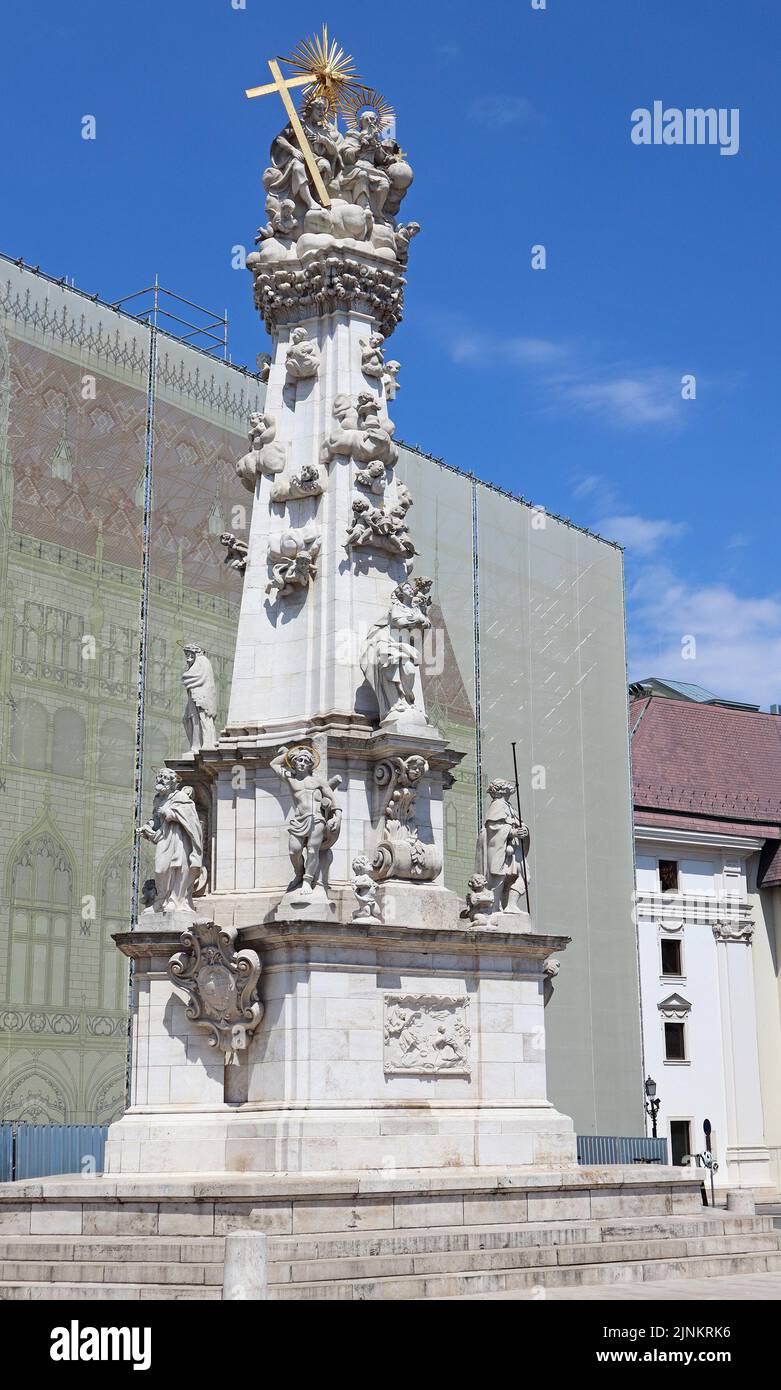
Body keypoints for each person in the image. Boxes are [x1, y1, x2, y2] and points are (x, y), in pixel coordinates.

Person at [270, 745, 342, 896]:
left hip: (317, 819)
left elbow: (333, 799)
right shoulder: (291, 779)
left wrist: (337, 817)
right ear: (295, 763)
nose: (302, 763)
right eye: (299, 760)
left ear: (310, 764)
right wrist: (289, 755)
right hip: (299, 820)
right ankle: (299, 873)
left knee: (311, 850)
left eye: (305, 760)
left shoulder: (318, 781)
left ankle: (308, 881)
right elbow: (274, 764)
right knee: (294, 851)